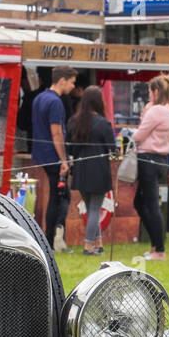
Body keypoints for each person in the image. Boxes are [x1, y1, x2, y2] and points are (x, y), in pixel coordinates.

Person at [131, 74, 169, 260]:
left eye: (150, 91)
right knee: (142, 202)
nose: (149, 95)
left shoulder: (154, 111)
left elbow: (139, 135)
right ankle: (154, 246)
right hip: (163, 160)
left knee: (151, 205)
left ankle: (159, 249)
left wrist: (145, 111)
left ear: (156, 92)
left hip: (148, 159)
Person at [31, 66, 77, 249]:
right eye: (72, 82)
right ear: (62, 81)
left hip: (41, 154)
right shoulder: (56, 102)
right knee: (58, 198)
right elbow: (56, 133)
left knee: (55, 197)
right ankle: (51, 240)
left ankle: (51, 239)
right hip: (53, 156)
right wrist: (63, 160)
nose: (73, 87)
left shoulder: (39, 98)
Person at [67, 84, 117, 255]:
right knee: (95, 209)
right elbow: (113, 148)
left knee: (90, 207)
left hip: (81, 170)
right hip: (99, 170)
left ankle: (98, 243)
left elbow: (70, 148)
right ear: (98, 102)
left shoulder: (74, 121)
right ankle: (88, 246)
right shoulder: (104, 124)